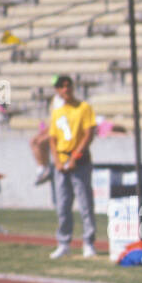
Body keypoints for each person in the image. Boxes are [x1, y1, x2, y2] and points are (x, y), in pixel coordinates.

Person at [47, 75, 97, 259]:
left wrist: (76, 155)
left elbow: (89, 133)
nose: (65, 89)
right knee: (62, 205)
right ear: (57, 90)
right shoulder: (57, 111)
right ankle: (64, 242)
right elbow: (52, 139)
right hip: (61, 161)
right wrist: (57, 161)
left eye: (68, 85)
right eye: (61, 86)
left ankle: (88, 242)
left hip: (80, 160)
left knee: (85, 204)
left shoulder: (84, 107)